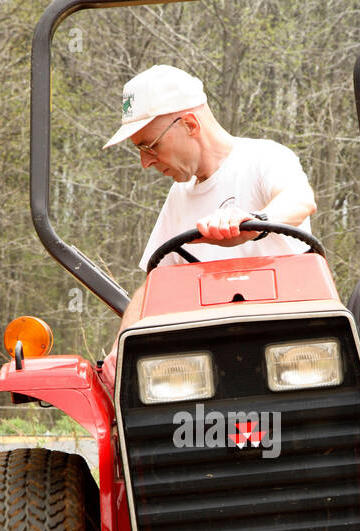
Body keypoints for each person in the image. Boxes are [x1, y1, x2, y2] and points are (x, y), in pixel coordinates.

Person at [99, 64, 317, 389]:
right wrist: (121, 351)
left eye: (149, 145)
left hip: (291, 346)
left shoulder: (264, 158)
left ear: (189, 124)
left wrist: (255, 222)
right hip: (211, 363)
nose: (145, 162)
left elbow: (300, 200)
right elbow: (157, 282)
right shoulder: (179, 196)